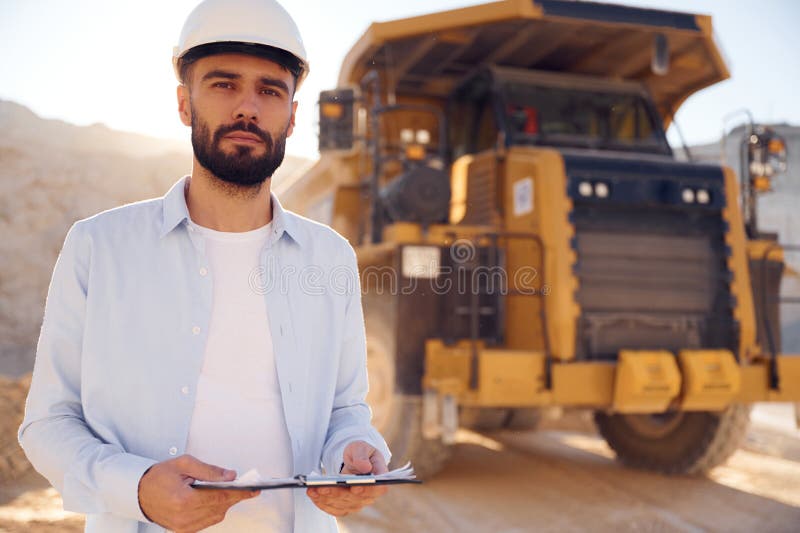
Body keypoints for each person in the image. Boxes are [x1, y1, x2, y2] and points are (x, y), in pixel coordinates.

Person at [18, 0, 390, 531]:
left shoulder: (330, 258)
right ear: (184, 105)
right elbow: (49, 422)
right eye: (223, 84)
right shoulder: (99, 248)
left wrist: (354, 451)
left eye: (269, 90)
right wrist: (138, 489)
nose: (247, 108)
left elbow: (346, 408)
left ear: (291, 116)